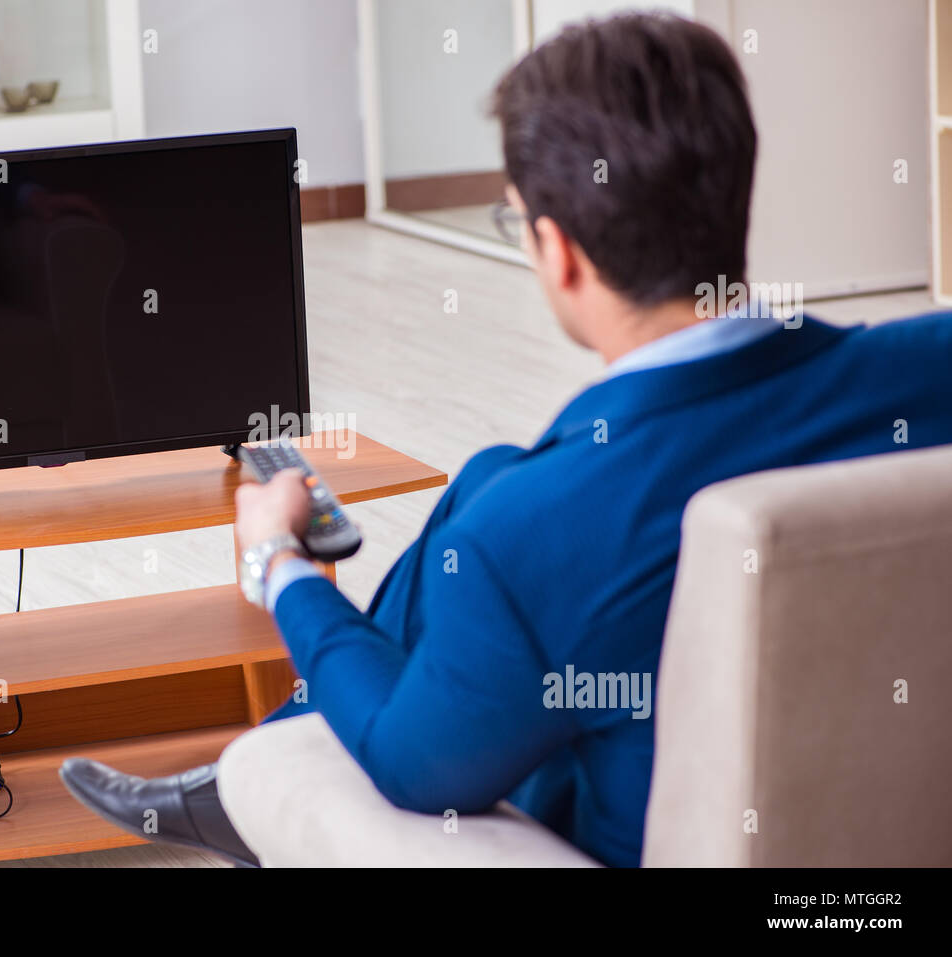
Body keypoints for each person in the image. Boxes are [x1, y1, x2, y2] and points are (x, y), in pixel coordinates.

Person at [59, 12, 952, 867]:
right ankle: (240, 774)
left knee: (489, 532)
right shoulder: (924, 367)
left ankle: (256, 766)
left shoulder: (538, 533)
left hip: (642, 827)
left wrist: (278, 565)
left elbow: (415, 769)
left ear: (557, 251)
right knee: (489, 474)